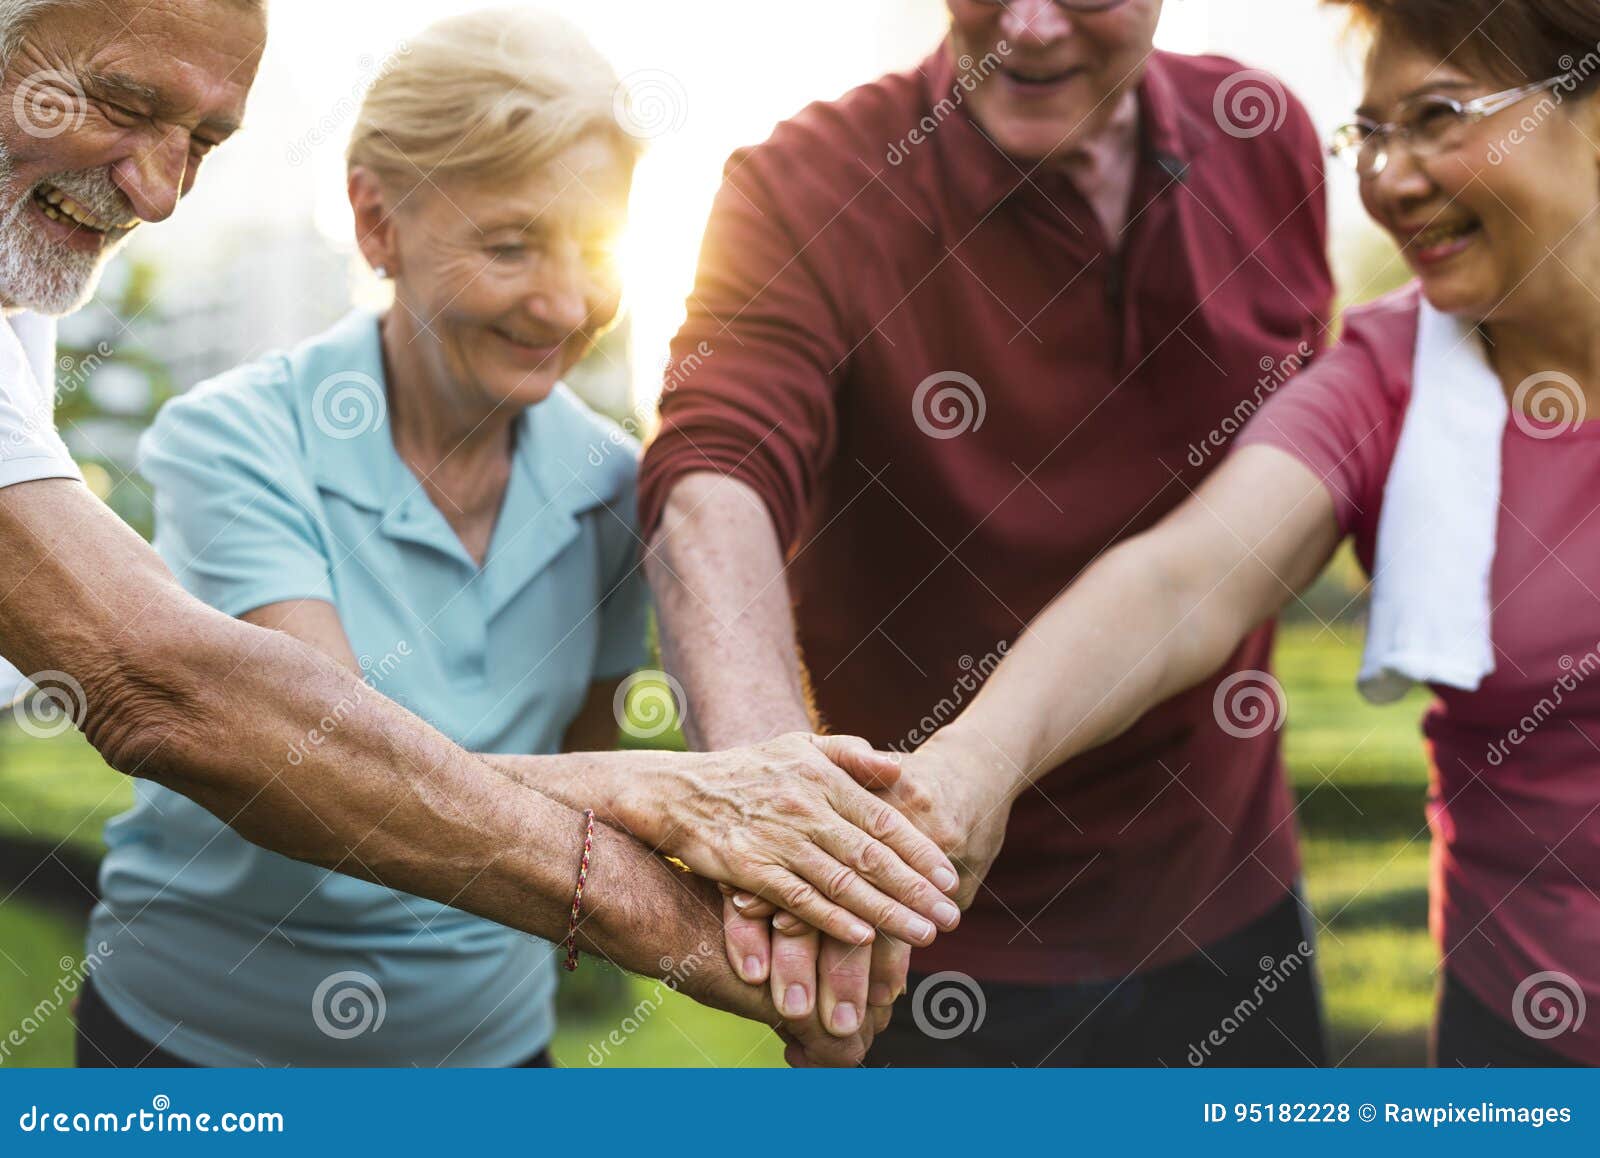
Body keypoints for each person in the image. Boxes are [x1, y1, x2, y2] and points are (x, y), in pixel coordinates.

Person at [0, 0, 952, 1067]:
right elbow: (301, 774)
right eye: (508, 246)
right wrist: (665, 809)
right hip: (201, 1049)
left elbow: (575, 792)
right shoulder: (237, 436)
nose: (560, 303)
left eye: (594, 251)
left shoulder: (608, 485)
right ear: (376, 223)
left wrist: (778, 903)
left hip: (490, 1054)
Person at [870, 0, 1600, 1068]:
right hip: (1527, 1034)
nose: (1391, 179)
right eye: (1372, 133)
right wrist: (974, 763)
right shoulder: (1390, 378)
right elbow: (1186, 579)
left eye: (1437, 116)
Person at [640, 0, 1333, 1064]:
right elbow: (713, 476)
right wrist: (775, 799)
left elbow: (1286, 479)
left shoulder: (1266, 134)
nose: (1028, 27)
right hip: (929, 935)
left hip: (1230, 903)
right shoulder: (803, 185)